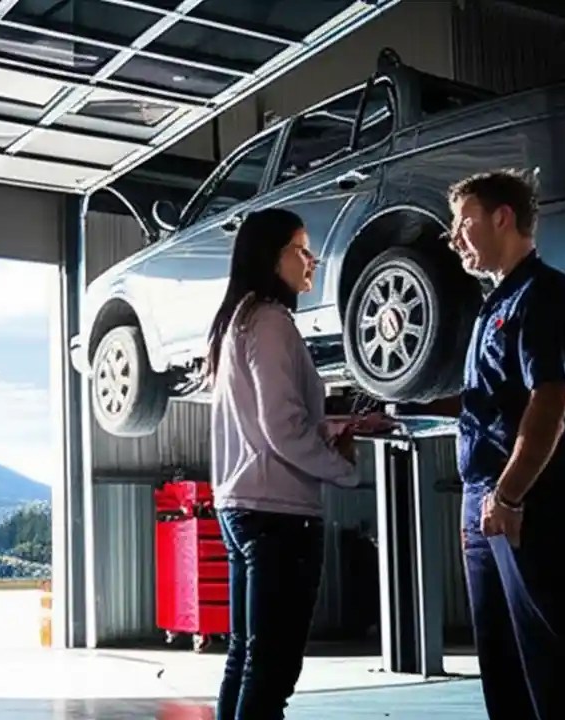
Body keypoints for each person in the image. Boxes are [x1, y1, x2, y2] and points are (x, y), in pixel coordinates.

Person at [446, 169, 565, 720]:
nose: (455, 237)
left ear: (503, 218)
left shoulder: (547, 295)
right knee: (503, 666)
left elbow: (551, 402)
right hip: (488, 502)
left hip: (532, 503)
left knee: (556, 664)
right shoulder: (493, 306)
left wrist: (511, 494)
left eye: (465, 222)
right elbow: (489, 405)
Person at [206, 207, 361, 720]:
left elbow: (267, 421)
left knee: (246, 660)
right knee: (271, 671)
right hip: (278, 513)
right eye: (301, 248)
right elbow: (281, 426)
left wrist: (329, 429)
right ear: (272, 258)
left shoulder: (238, 320)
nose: (311, 260)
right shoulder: (270, 322)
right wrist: (343, 468)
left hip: (244, 505)